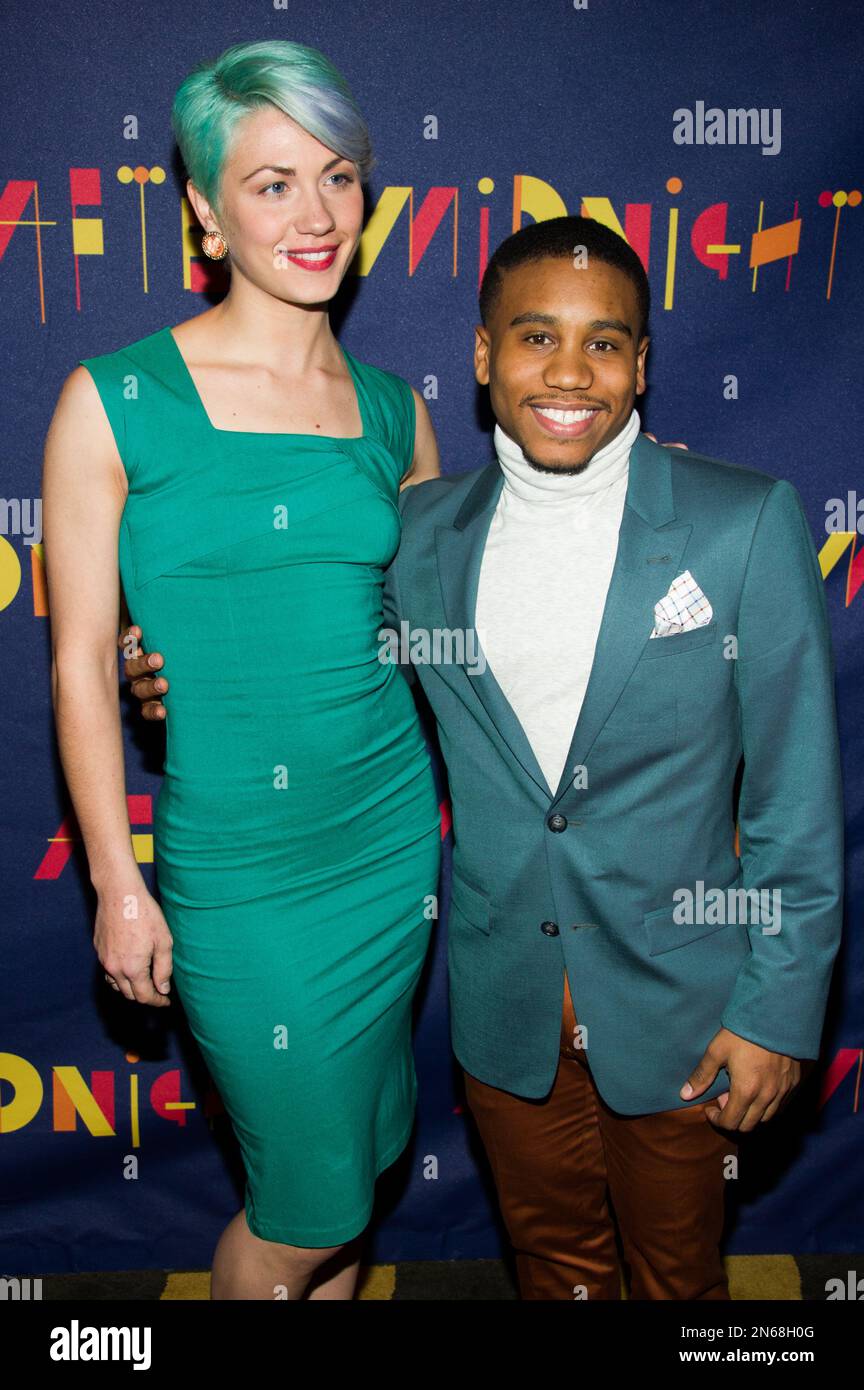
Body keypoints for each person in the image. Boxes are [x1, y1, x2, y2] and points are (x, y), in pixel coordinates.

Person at [120, 215, 845, 1300]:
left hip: (689, 1015)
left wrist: (776, 1010)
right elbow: (307, 645)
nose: (568, 371)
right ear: (480, 356)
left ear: (643, 365)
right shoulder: (421, 533)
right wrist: (159, 665)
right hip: (508, 1015)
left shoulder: (741, 521)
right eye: (535, 335)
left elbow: (797, 798)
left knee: (679, 1281)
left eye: (606, 342)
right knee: (556, 1271)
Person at [41, 39, 443, 1302]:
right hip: (242, 871)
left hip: (388, 847)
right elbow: (74, 664)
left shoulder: (393, 412)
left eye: (337, 176)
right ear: (205, 212)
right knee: (302, 1203)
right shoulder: (113, 401)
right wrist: (116, 880)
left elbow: (437, 629)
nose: (316, 215)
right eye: (271, 185)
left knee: (353, 1175)